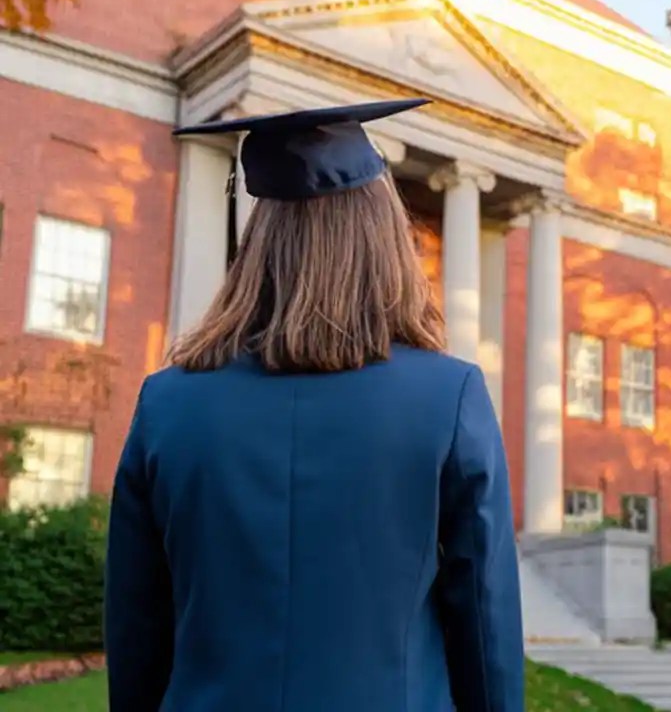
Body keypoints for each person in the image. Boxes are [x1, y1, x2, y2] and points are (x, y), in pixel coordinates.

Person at [104, 99, 525, 712]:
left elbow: (136, 631)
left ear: (258, 242)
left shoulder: (167, 404)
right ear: (384, 240)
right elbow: (485, 626)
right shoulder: (448, 398)